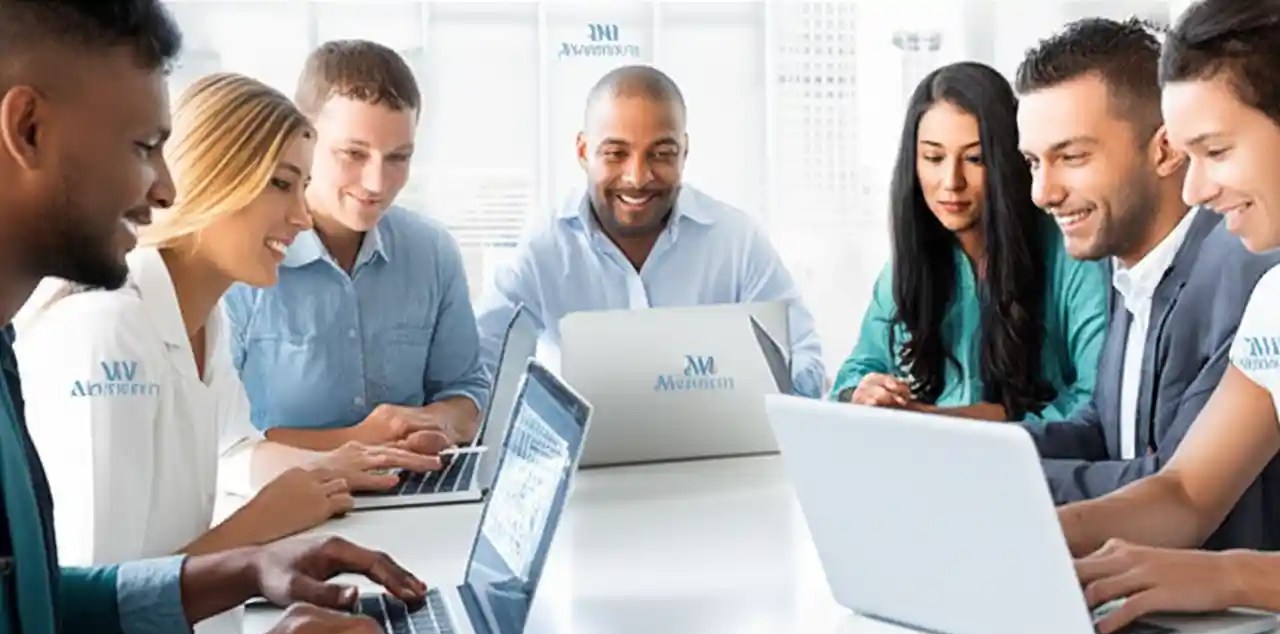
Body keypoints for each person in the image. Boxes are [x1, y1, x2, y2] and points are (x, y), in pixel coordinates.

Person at [0, 1, 427, 634]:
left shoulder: (14, 351)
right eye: (142, 146)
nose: (166, 188)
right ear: (28, 130)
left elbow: (37, 611)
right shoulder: (100, 334)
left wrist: (246, 568)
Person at [1053, 0, 1280, 634]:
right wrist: (1032, 528)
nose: (1194, 190)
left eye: (1215, 151)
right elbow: (1186, 494)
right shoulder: (1274, 304)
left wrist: (1234, 576)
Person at [473, 64, 826, 398]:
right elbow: (482, 365)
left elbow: (803, 356)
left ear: (684, 152)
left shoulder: (736, 241)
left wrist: (763, 395)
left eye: (661, 154)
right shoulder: (546, 247)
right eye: (615, 153)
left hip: (715, 440)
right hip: (586, 443)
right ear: (583, 151)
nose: (638, 177)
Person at [223, 40, 487, 450]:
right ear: (301, 138)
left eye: (398, 158)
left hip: (412, 481)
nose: (377, 184)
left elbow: (467, 391)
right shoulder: (241, 262)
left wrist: (432, 423)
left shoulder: (433, 252)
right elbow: (222, 440)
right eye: (353, 153)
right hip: (285, 485)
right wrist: (359, 442)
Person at [830, 62, 1109, 422]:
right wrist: (861, 393)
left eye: (975, 159)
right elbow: (854, 372)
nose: (952, 181)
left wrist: (945, 421)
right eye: (933, 158)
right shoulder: (907, 267)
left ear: (1009, 160)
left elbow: (1096, 402)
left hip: (1038, 456)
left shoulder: (1072, 256)